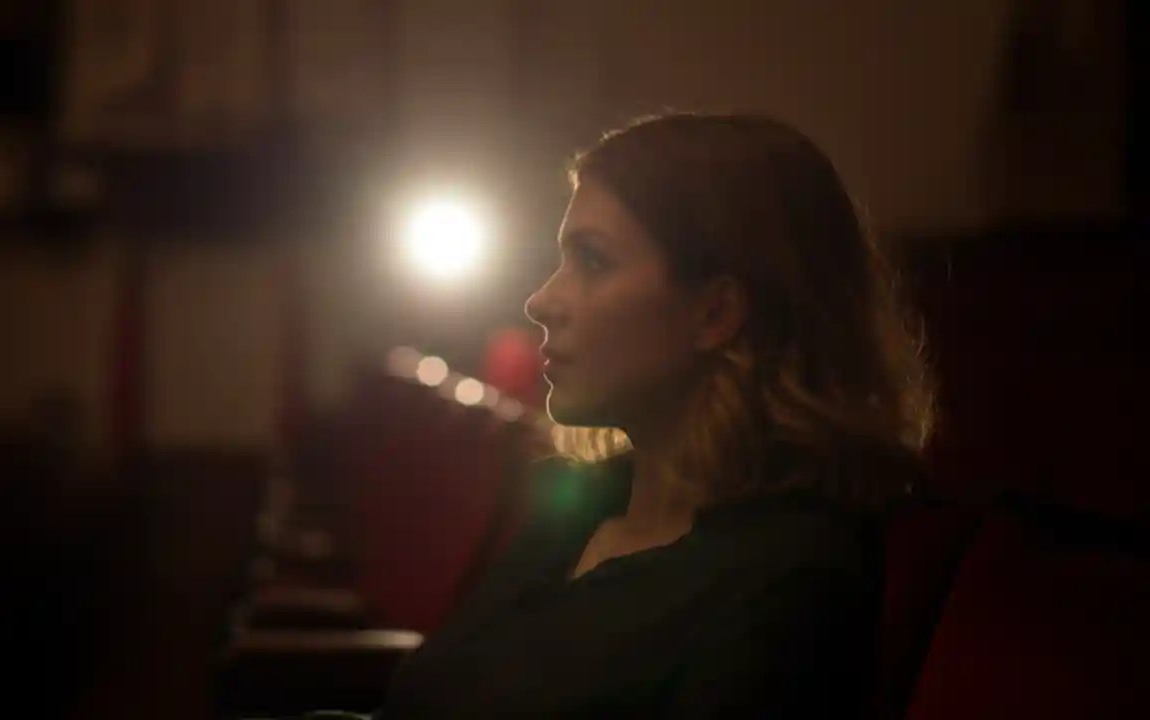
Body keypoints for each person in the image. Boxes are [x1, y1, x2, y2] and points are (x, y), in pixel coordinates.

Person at [372, 113, 935, 718]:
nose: (540, 301)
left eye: (592, 260)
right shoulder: (582, 502)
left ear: (715, 313)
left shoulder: (788, 583)